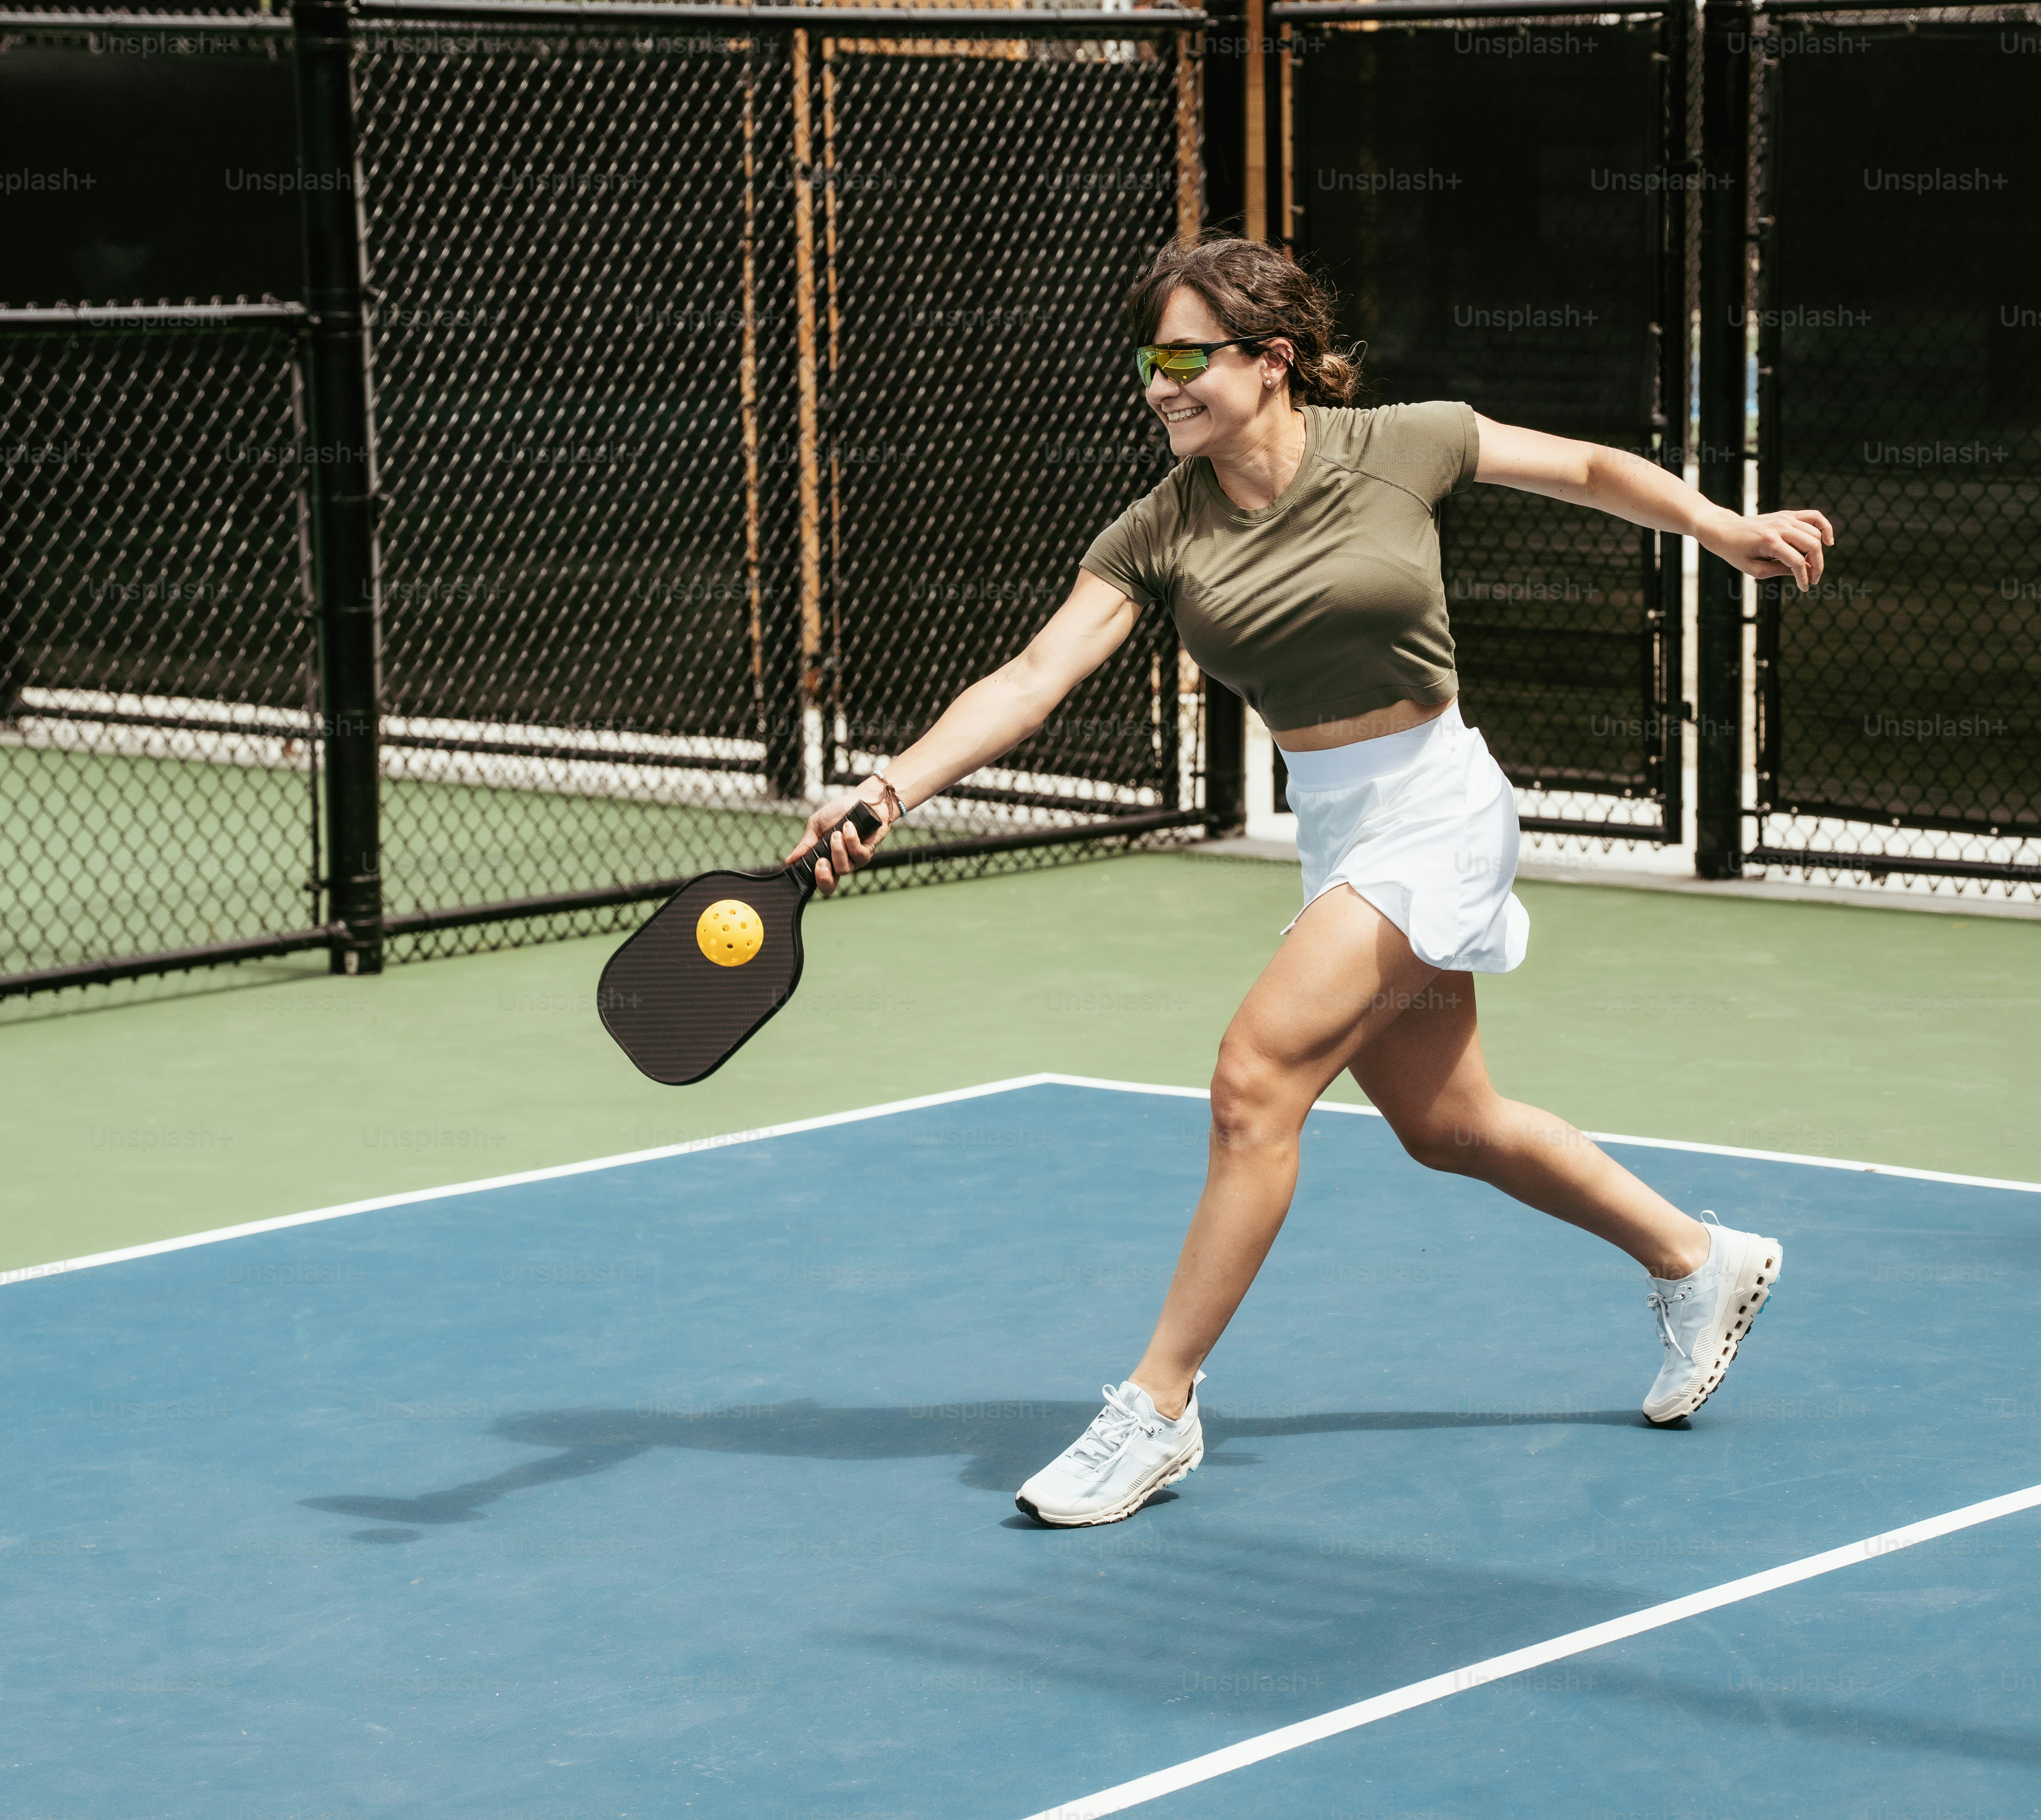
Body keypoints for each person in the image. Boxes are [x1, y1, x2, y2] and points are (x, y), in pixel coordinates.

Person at [781, 231, 1835, 1528]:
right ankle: (1699, 1257)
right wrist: (892, 788)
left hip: (1438, 805)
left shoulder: (1403, 441)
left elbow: (1586, 466)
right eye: (1149, 362)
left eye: (1187, 357)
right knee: (1449, 1125)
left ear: (1271, 361)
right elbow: (1032, 679)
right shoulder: (1159, 529)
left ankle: (1156, 1409)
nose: (1162, 384)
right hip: (1338, 827)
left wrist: (1721, 529)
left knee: (1255, 1078)